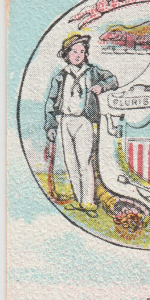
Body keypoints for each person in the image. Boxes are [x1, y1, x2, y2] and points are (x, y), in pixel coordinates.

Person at [43, 33, 118, 214]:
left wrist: (102, 87)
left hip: (84, 121)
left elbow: (113, 80)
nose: (78, 55)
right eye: (74, 51)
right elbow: (51, 102)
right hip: (65, 121)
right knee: (71, 163)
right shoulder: (60, 76)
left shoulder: (92, 72)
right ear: (66, 54)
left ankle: (88, 201)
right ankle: (79, 199)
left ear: (86, 54)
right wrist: (51, 125)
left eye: (82, 52)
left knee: (84, 162)